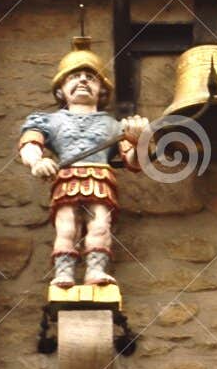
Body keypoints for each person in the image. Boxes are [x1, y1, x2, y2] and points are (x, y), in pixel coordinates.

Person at [18, 35, 150, 287]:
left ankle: (95, 271)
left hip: (100, 179)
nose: (82, 81)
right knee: (67, 228)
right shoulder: (48, 121)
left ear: (102, 90)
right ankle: (64, 273)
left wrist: (139, 141)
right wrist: (37, 162)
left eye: (90, 78)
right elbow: (30, 143)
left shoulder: (114, 126)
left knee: (100, 225)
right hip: (66, 179)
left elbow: (134, 162)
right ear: (60, 89)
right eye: (74, 77)